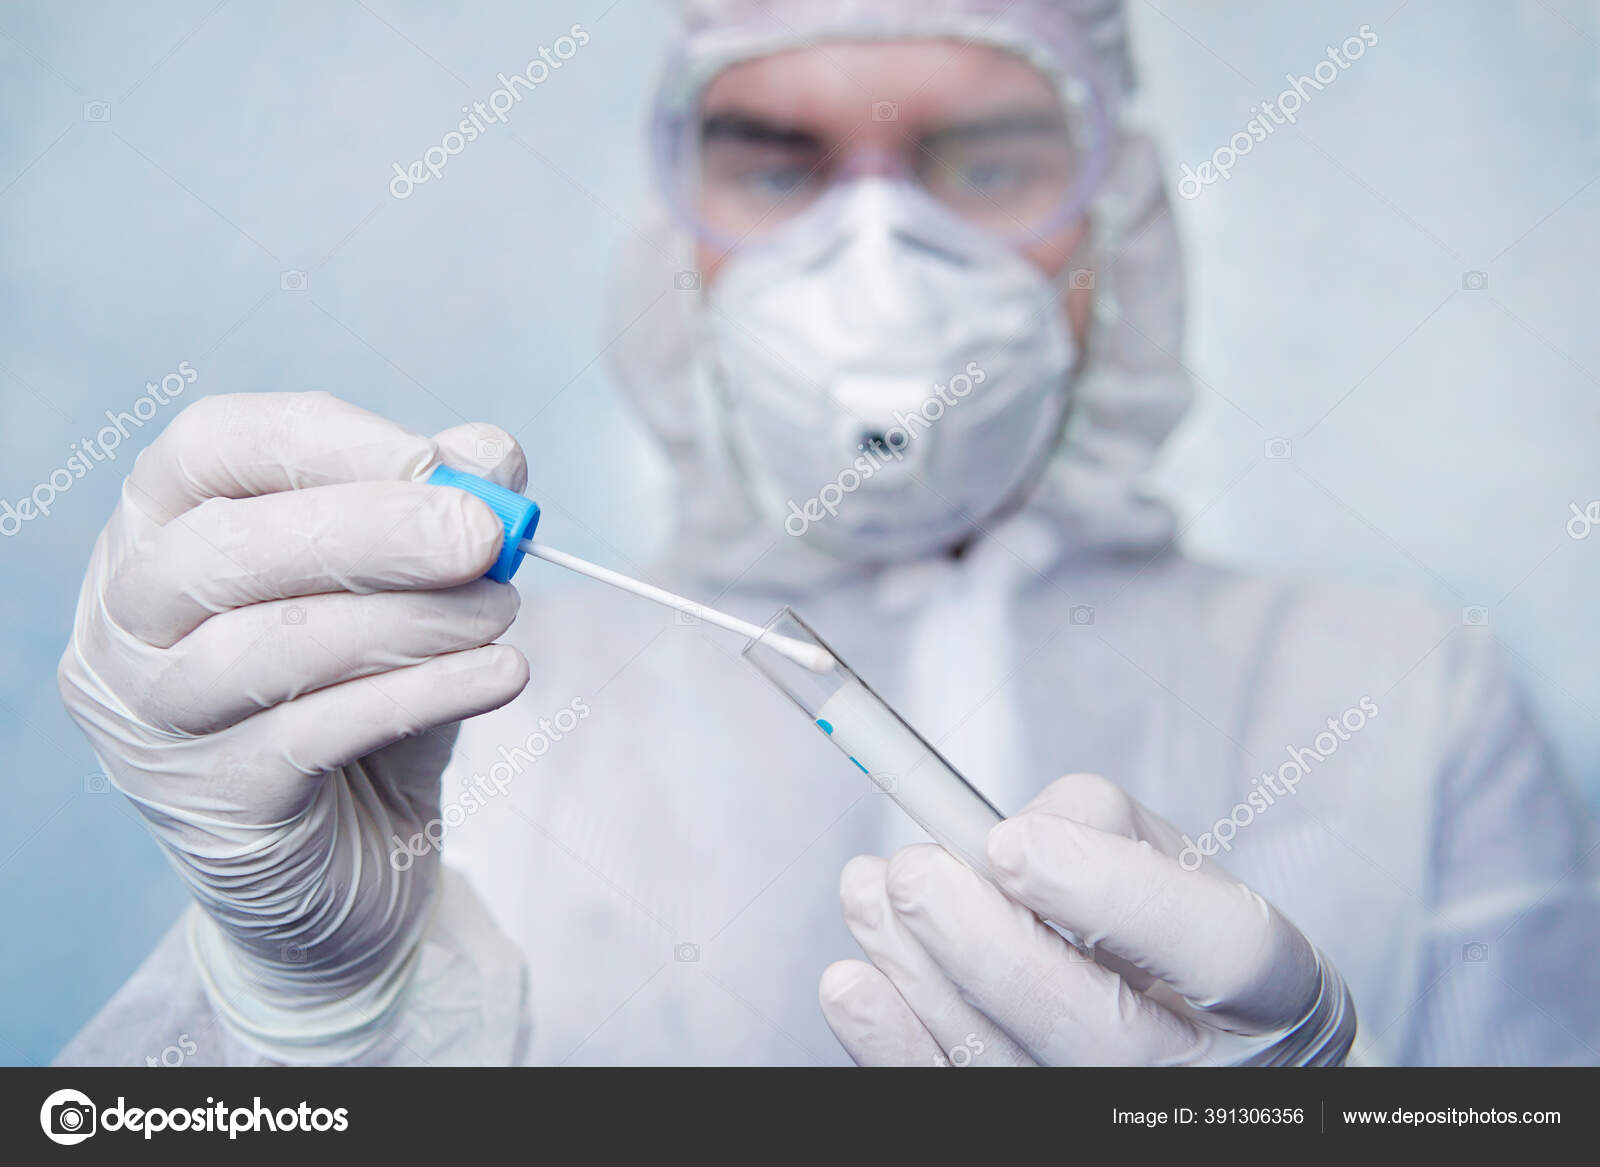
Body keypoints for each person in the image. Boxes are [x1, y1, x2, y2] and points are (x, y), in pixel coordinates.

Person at [56, 0, 1598, 1066]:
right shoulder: (450, 700)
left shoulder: (1404, 695)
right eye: (777, 160)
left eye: (982, 159)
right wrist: (300, 1013)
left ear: (1118, 219)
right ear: (679, 231)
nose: (874, 252)